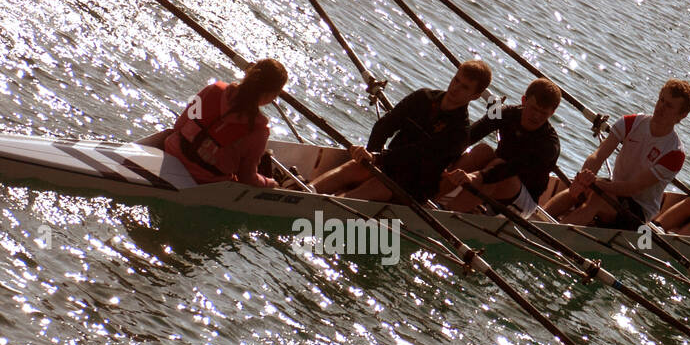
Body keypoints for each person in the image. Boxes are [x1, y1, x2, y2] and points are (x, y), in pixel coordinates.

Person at [310, 59, 492, 203]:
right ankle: (303, 190)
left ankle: (331, 204)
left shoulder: (459, 132)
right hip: (387, 163)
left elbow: (416, 156)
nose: (455, 88)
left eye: (465, 87)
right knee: (354, 167)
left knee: (376, 185)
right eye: (456, 80)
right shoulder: (423, 97)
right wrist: (371, 155)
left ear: (475, 96)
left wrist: (378, 159)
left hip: (414, 184)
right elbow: (385, 126)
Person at [541, 78, 690, 228]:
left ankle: (554, 232)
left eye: (669, 106)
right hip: (614, 191)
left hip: (638, 211)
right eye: (661, 100)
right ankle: (537, 220)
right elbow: (598, 156)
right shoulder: (631, 122)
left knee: (598, 198)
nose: (661, 107)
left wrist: (594, 183)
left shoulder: (675, 154)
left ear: (682, 115)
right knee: (577, 188)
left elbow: (632, 188)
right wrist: (584, 177)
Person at [439, 77, 562, 215]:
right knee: (482, 150)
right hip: (494, 174)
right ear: (523, 100)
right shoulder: (505, 112)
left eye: (543, 113)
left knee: (497, 165)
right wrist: (439, 155)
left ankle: (448, 212)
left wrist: (475, 177)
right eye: (533, 108)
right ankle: (432, 196)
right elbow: (469, 136)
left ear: (552, 113)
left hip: (521, 198)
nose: (536, 117)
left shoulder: (549, 145)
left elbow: (507, 169)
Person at [163, 58, 288, 187]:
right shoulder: (258, 130)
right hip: (204, 180)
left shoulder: (213, 89)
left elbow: (178, 126)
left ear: (248, 75)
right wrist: (270, 183)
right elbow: (247, 178)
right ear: (270, 95)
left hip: (172, 154)